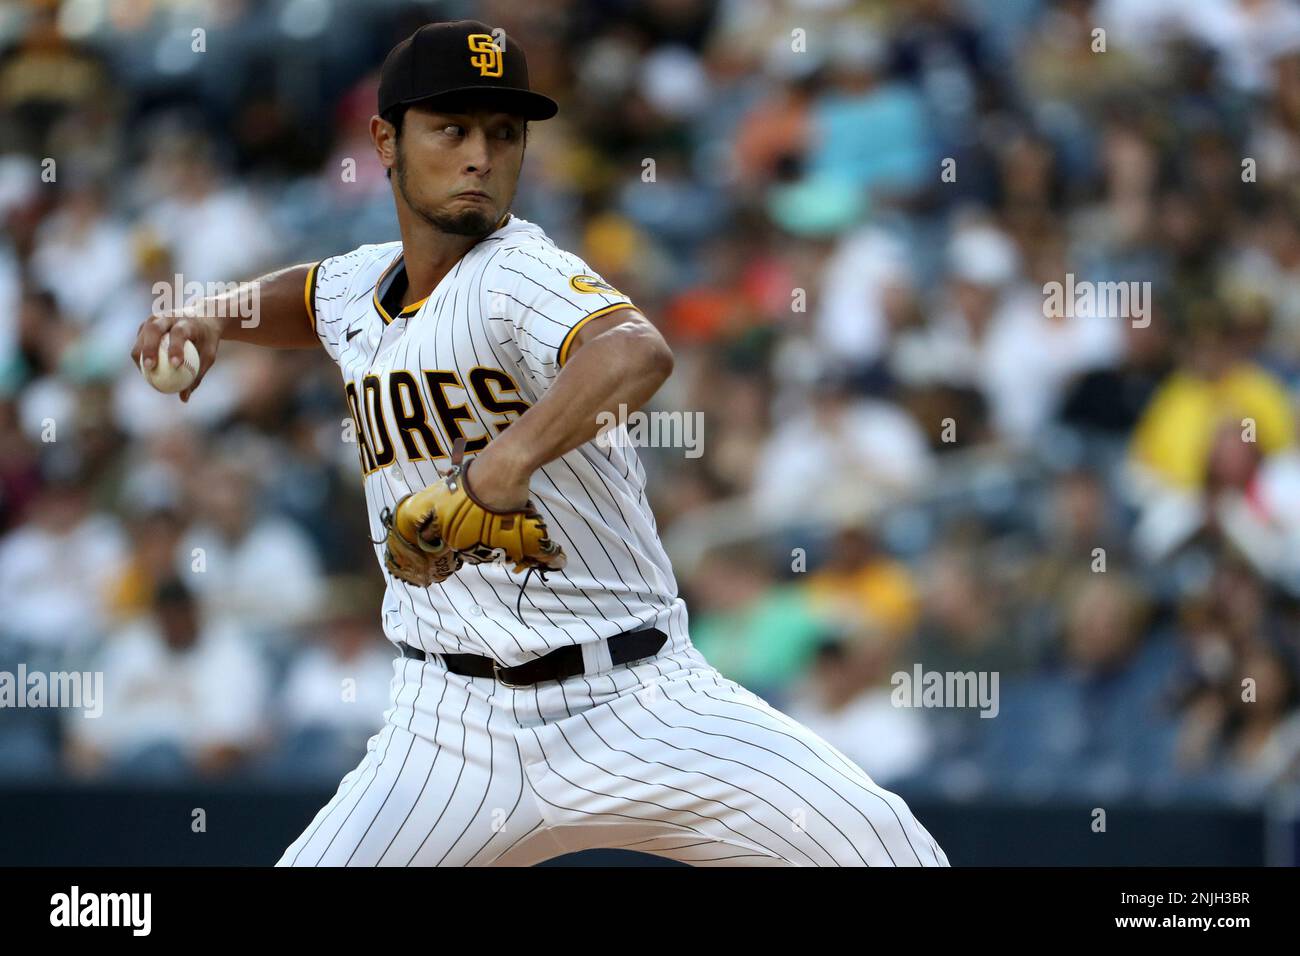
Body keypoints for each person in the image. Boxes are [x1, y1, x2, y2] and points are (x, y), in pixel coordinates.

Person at [131, 20, 948, 867]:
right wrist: (213, 314)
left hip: (637, 701)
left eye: (503, 132)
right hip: (446, 729)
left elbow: (635, 351)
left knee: (889, 852)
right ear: (385, 139)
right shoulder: (356, 282)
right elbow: (308, 296)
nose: (481, 154)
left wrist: (506, 461)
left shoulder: (519, 271)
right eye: (452, 129)